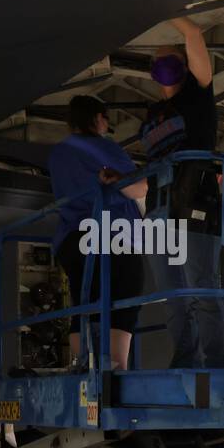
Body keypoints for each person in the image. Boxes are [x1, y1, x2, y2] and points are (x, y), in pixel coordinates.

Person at [139, 16, 224, 370]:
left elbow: (194, 34)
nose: (165, 64)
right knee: (172, 295)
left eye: (171, 58)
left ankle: (216, 366)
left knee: (201, 289)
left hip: (193, 204)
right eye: (159, 60)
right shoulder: (154, 113)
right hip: (159, 210)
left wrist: (165, 8)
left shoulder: (198, 95)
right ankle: (186, 359)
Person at [46, 95, 147, 370]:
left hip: (71, 238)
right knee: (126, 297)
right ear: (96, 118)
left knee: (84, 302)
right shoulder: (103, 147)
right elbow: (138, 188)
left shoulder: (58, 153)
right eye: (105, 119)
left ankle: (83, 365)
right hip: (112, 234)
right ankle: (115, 367)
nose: (106, 125)